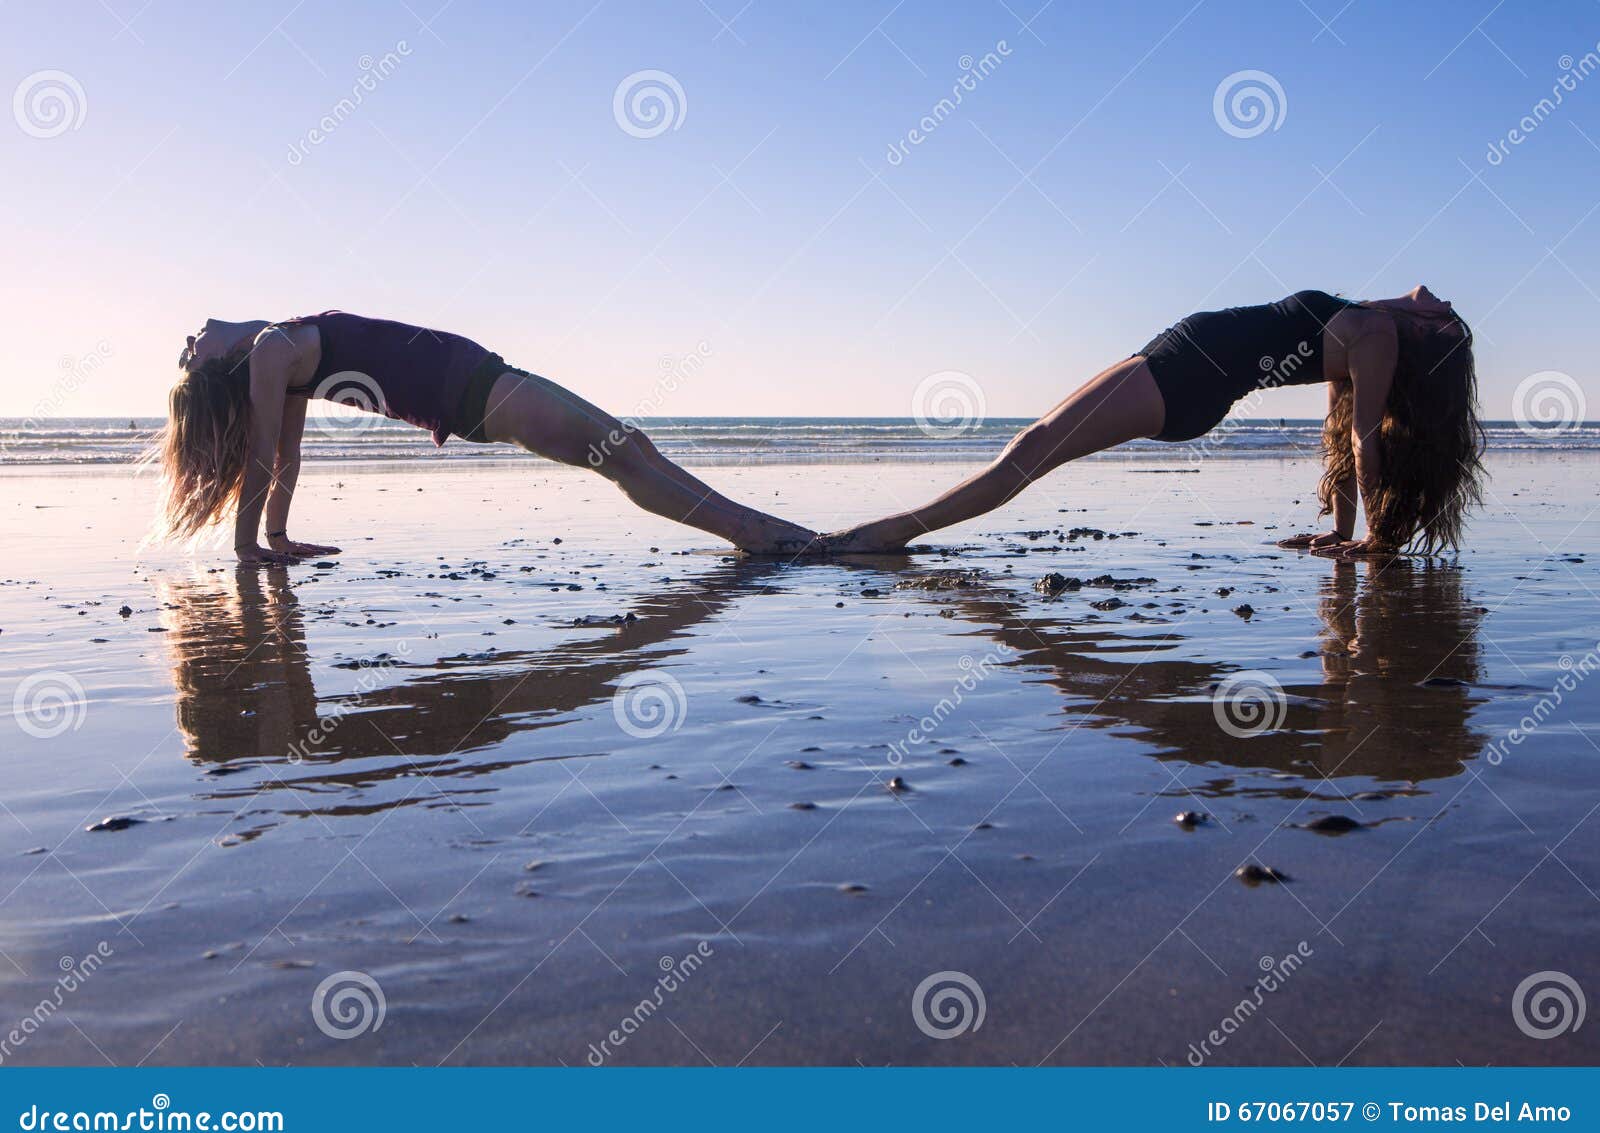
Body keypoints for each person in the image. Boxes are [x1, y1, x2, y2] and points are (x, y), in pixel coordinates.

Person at [821, 286, 1485, 557]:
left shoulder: (1378, 334)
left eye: (1450, 315)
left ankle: (885, 534)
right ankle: (887, 531)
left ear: (1433, 334)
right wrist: (1338, 534)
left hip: (1186, 377)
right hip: (1177, 361)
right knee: (1034, 445)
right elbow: (1340, 436)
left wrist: (1369, 541)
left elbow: (1365, 437)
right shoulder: (1365, 319)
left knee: (1032, 450)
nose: (1445, 296)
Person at [150, 312, 815, 562]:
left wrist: (276, 535)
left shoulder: (277, 343)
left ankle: (757, 529)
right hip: (471, 395)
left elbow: (290, 456)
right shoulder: (266, 352)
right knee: (618, 455)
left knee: (629, 446)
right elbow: (267, 454)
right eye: (189, 357)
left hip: (476, 378)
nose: (187, 342)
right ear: (216, 369)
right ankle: (757, 535)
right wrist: (247, 544)